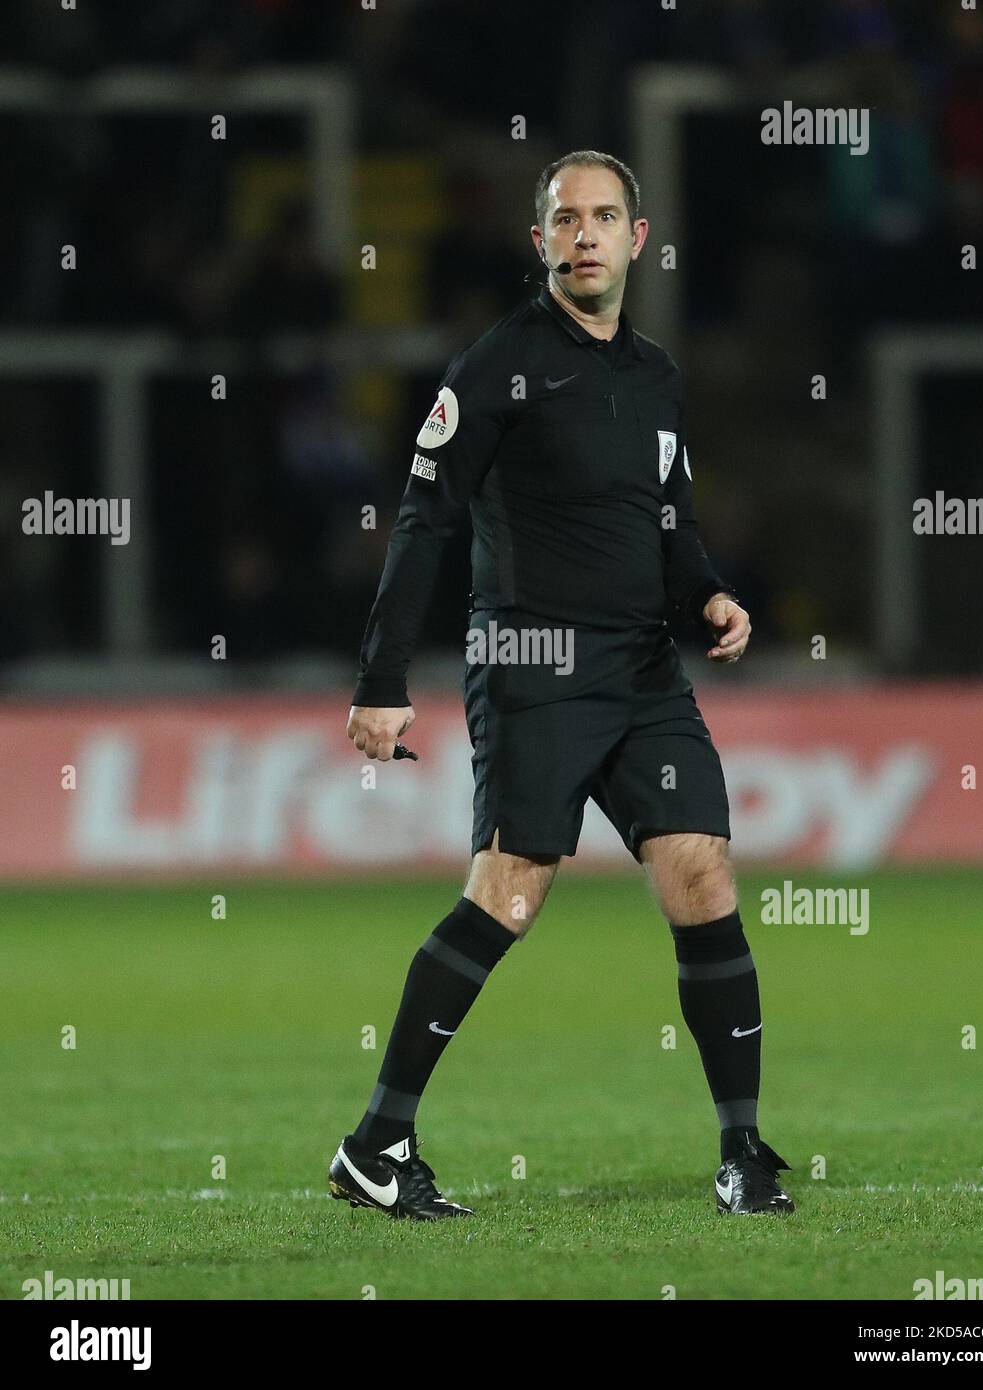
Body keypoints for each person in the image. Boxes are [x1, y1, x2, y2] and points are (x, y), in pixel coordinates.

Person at [330, 150, 793, 1219]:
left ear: (637, 237)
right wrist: (381, 676)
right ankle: (376, 1142)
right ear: (539, 241)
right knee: (509, 895)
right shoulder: (493, 367)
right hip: (534, 669)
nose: (583, 234)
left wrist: (710, 594)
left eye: (603, 216)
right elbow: (424, 520)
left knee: (701, 872)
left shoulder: (655, 375)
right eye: (564, 219)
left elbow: (666, 516)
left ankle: (742, 1151)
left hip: (641, 671)